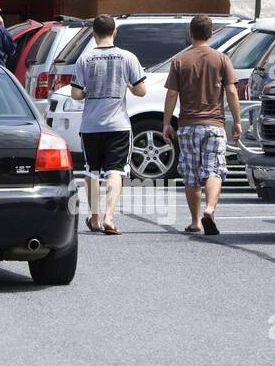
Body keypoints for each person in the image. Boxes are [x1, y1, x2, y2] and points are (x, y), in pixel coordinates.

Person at [164, 14, 241, 236]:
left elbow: (171, 95)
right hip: (214, 125)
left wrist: (167, 124)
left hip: (188, 126)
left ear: (191, 34)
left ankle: (196, 221)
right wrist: (236, 121)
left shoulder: (180, 61)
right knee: (214, 170)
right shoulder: (222, 59)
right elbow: (232, 91)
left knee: (191, 174)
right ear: (210, 33)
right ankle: (210, 209)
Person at [69, 15, 146, 235]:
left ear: (93, 34)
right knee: (116, 171)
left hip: (91, 125)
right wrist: (130, 87)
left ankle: (94, 218)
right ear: (114, 32)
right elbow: (141, 90)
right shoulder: (127, 57)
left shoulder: (84, 59)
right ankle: (109, 217)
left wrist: (86, 92)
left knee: (91, 171)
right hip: (118, 125)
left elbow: (76, 93)